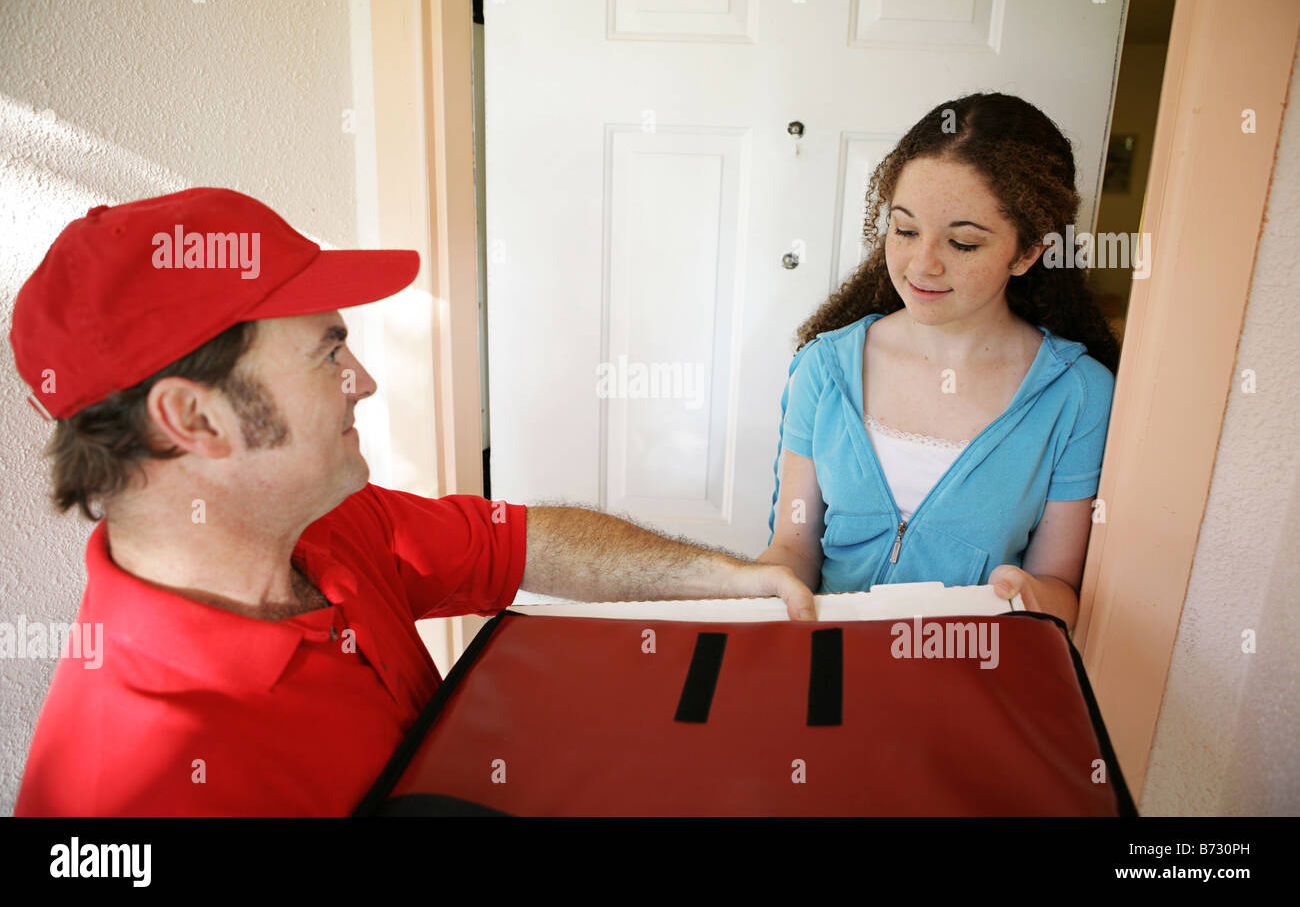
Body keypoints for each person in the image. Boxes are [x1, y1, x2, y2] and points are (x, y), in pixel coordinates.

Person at [8, 187, 815, 816]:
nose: (364, 380)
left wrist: (736, 578)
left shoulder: (322, 526)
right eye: (329, 352)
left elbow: (519, 544)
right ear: (195, 418)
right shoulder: (139, 783)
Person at [759, 92, 1120, 632]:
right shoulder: (823, 368)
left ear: (1027, 253)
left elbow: (1061, 589)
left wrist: (1029, 595)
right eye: (905, 231)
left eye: (963, 243)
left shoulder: (1078, 395)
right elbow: (792, 545)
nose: (922, 265)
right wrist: (757, 587)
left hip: (972, 681)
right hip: (830, 665)